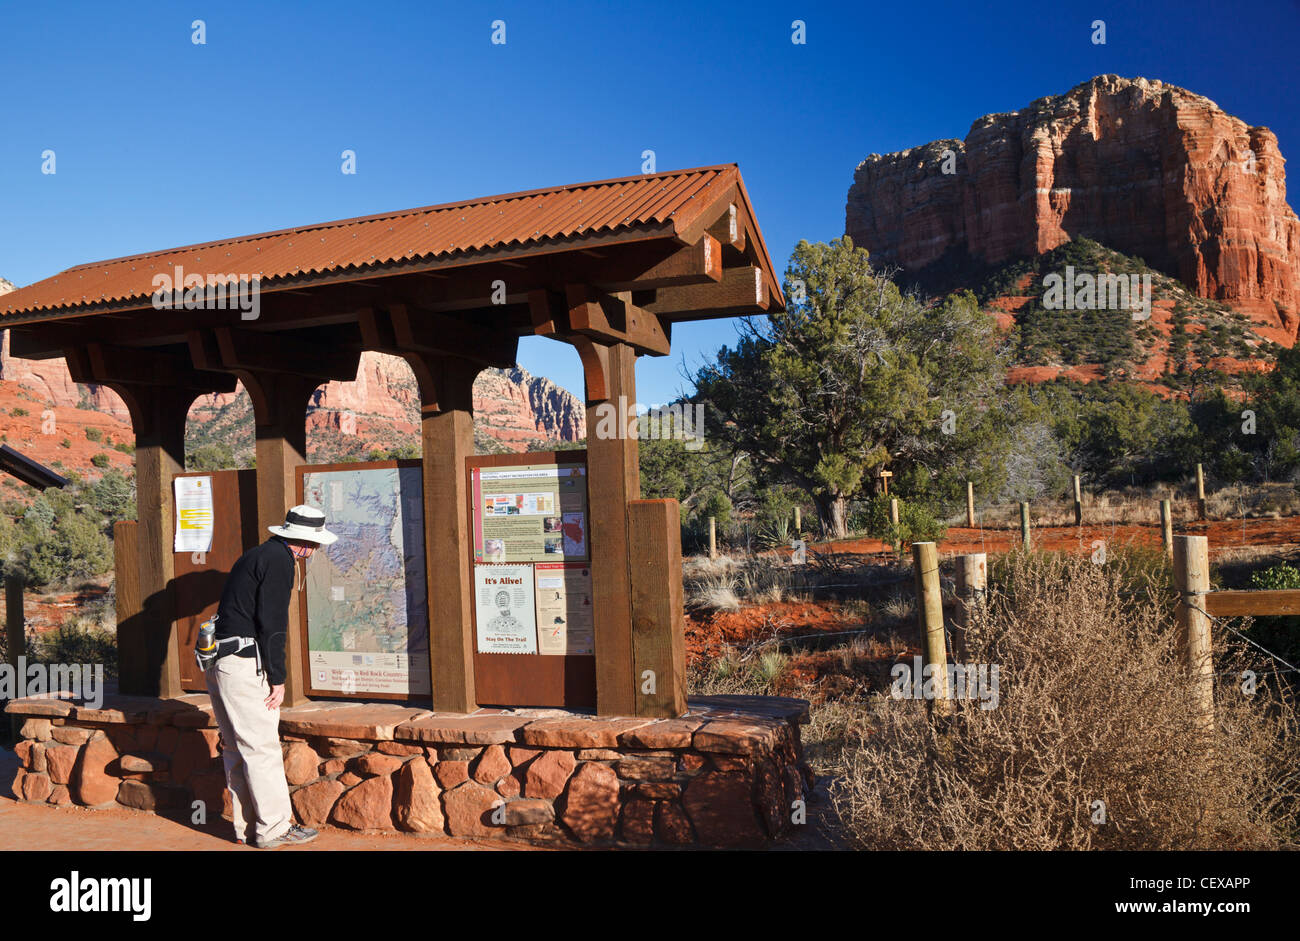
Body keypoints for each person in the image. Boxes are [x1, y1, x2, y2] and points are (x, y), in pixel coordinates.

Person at [206, 504, 338, 849]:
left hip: (222, 660)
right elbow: (273, 626)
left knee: (236, 746)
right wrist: (277, 678)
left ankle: (247, 828)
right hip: (245, 664)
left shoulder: (256, 555)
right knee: (261, 747)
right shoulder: (281, 562)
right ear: (304, 543)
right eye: (316, 544)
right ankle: (274, 829)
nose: (316, 551)